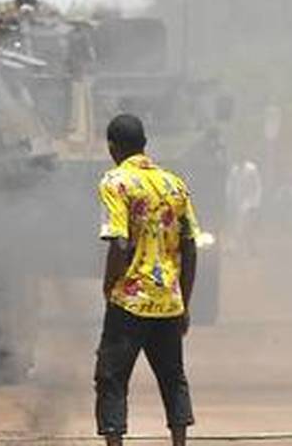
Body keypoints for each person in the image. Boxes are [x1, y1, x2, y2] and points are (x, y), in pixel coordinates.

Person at [94, 114, 198, 446]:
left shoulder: (115, 182)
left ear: (113, 148)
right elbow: (190, 246)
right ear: (144, 144)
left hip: (130, 300)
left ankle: (115, 442)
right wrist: (184, 302)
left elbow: (119, 241)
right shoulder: (174, 184)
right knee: (173, 378)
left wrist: (109, 285)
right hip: (168, 301)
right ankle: (179, 442)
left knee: (111, 377)